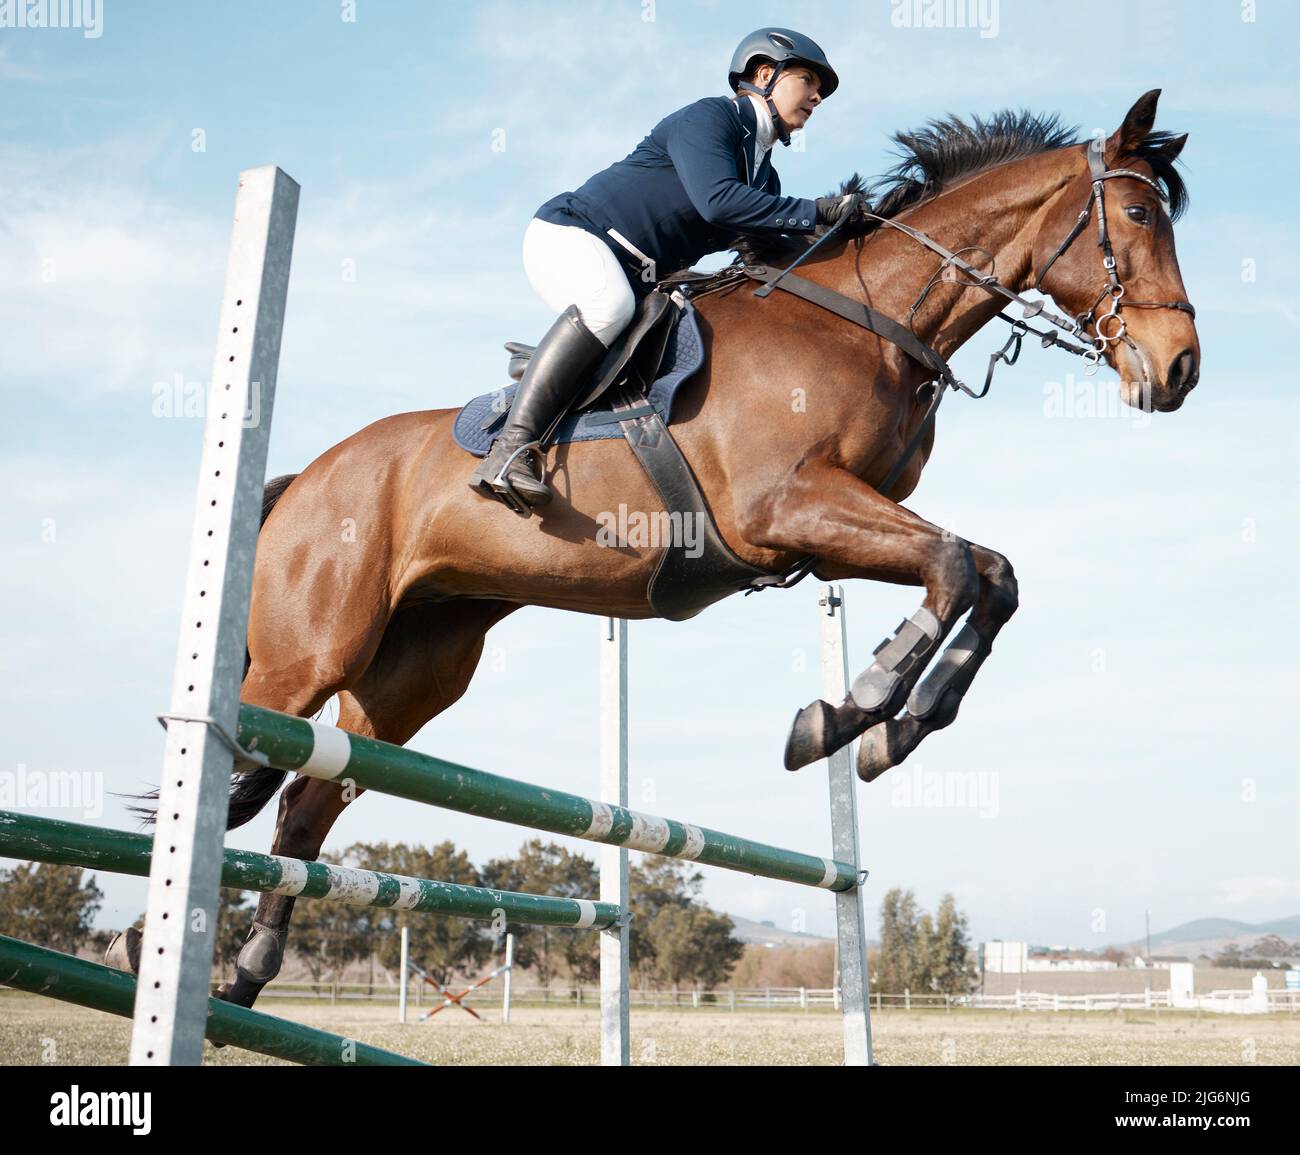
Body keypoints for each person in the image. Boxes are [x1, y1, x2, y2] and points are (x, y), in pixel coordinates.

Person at [470, 26, 868, 510]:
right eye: (808, 80)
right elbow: (719, 202)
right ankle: (510, 451)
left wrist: (846, 238)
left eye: (819, 89)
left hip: (638, 275)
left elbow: (770, 248)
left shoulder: (764, 172)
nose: (817, 96)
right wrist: (816, 209)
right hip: (574, 235)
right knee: (608, 305)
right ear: (765, 74)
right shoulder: (711, 117)